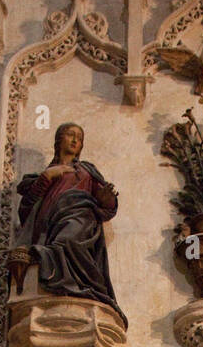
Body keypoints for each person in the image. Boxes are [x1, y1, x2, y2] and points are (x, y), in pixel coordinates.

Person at [14, 122, 127, 326]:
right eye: (70, 135)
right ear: (59, 140)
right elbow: (28, 206)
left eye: (79, 138)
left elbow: (108, 206)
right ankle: (65, 284)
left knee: (67, 241)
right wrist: (47, 177)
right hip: (50, 221)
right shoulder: (48, 172)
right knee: (56, 245)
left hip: (81, 215)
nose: (75, 140)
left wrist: (106, 197)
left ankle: (84, 286)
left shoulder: (87, 170)